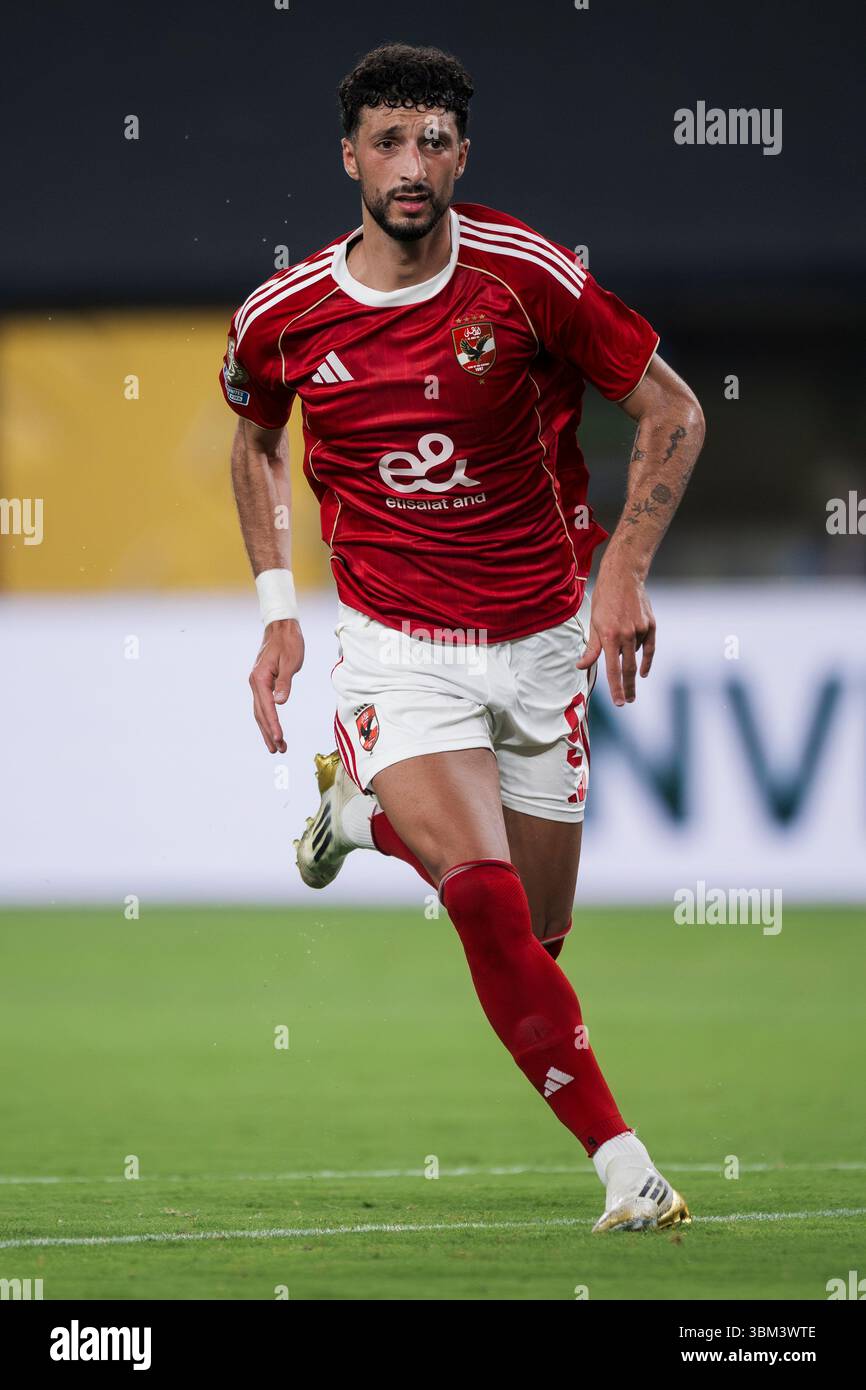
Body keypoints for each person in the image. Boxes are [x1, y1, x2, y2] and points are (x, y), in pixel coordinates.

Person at [220, 42, 705, 1233]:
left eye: (432, 139)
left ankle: (360, 816)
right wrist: (281, 611)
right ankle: (625, 1168)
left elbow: (674, 413)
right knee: (484, 906)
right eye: (387, 139)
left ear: (461, 156)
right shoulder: (282, 317)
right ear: (348, 158)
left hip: (540, 641)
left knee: (536, 940)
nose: (410, 161)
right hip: (398, 645)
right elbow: (251, 440)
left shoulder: (525, 277)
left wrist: (621, 576)